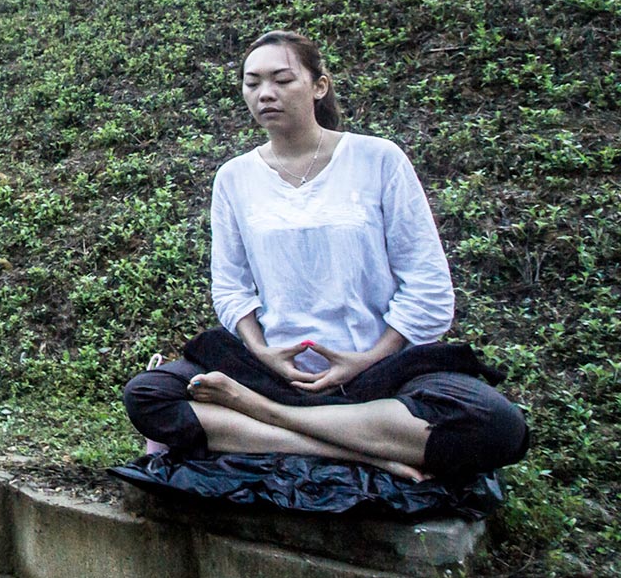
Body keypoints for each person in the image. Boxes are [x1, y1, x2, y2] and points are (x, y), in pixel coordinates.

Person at [122, 31, 529, 481]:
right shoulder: (234, 177)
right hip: (275, 372)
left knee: (497, 425)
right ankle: (360, 450)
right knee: (149, 395)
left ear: (319, 86)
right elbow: (231, 287)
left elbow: (427, 285)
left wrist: (369, 357)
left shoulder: (378, 159)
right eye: (252, 83)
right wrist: (262, 351)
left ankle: (265, 416)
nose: (265, 94)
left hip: (379, 373)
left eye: (282, 80)